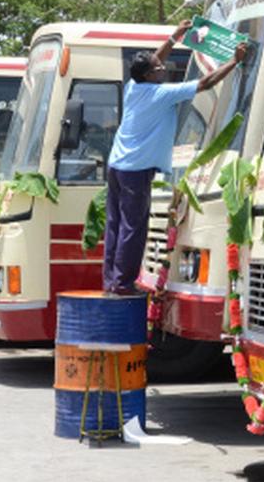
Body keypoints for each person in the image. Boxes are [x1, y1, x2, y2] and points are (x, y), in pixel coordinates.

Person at [103, 19, 248, 295]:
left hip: (117, 165)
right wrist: (234, 61)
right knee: (133, 227)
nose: (163, 68)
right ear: (149, 75)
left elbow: (153, 61)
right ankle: (122, 284)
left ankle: (111, 280)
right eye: (159, 69)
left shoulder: (134, 86)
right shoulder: (161, 94)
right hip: (135, 169)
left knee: (115, 225)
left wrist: (174, 38)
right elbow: (205, 82)